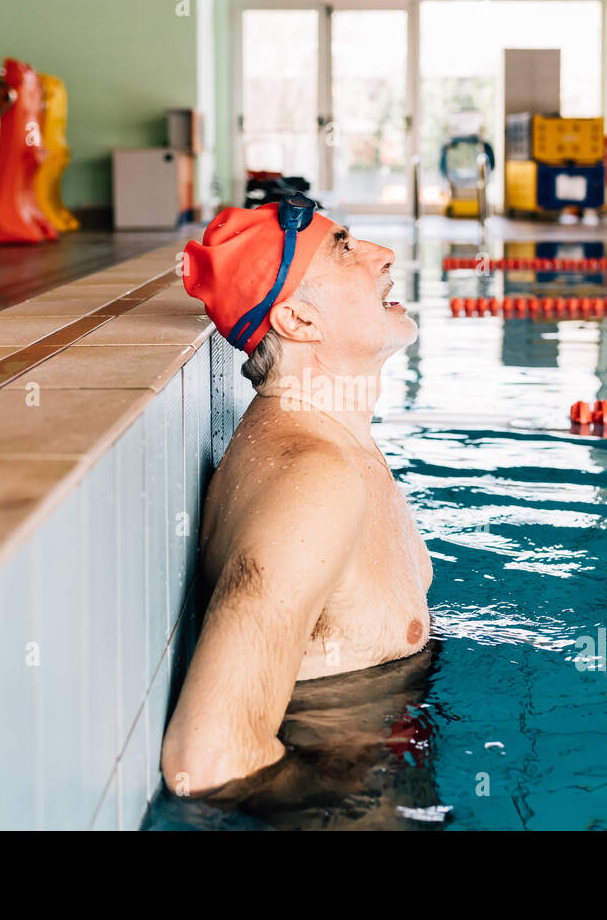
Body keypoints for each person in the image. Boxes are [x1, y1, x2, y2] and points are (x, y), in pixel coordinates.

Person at [160, 195, 433, 797]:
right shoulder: (314, 484)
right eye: (345, 251)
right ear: (299, 321)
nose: (383, 255)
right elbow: (206, 760)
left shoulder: (335, 442)